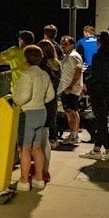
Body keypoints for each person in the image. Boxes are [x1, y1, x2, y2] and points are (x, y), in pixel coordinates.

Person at [12, 46, 55, 190]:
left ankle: (24, 181)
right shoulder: (44, 74)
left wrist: (15, 98)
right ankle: (39, 179)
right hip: (41, 112)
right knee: (37, 147)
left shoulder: (26, 75)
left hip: (28, 113)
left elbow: (23, 97)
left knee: (25, 149)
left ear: (25, 59)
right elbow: (50, 96)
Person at [81, 31, 109, 160]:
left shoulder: (98, 55)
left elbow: (96, 75)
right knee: (102, 120)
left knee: (100, 121)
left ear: (99, 42)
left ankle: (107, 150)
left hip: (98, 90)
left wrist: (87, 83)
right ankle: (98, 149)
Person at [38, 39, 62, 180]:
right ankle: (45, 168)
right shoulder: (56, 64)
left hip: (41, 101)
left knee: (38, 140)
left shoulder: (41, 66)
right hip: (52, 99)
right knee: (47, 130)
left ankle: (41, 171)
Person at [57, 36, 84, 144]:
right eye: (62, 43)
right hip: (69, 87)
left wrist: (70, 86)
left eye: (65, 44)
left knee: (71, 111)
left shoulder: (73, 56)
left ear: (72, 45)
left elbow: (78, 71)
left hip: (71, 88)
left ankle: (73, 136)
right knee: (72, 111)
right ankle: (74, 134)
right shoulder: (68, 56)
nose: (63, 46)